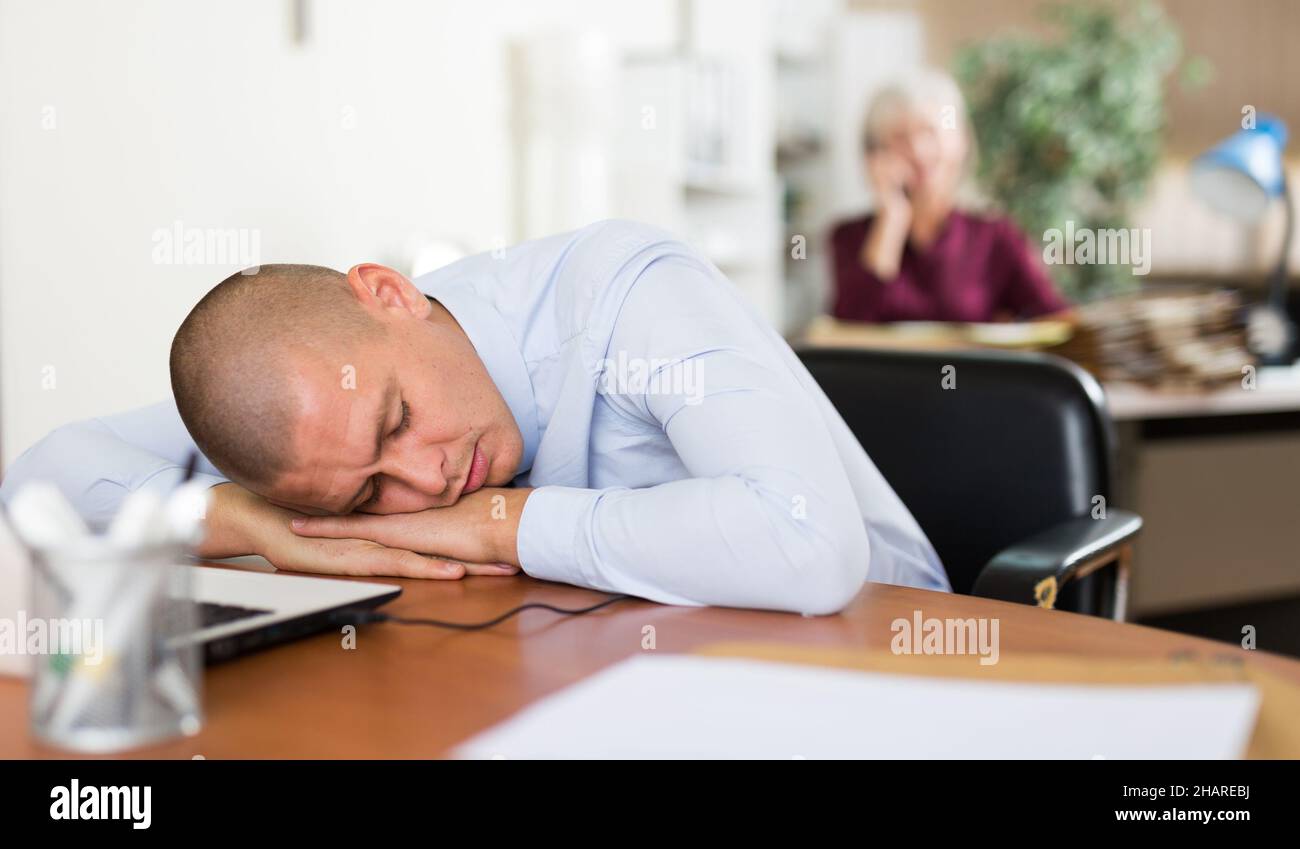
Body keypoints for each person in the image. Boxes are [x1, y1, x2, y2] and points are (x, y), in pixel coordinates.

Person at [0, 220, 950, 613]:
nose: (423, 480)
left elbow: (811, 546)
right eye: (368, 492)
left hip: (892, 653)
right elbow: (40, 476)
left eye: (396, 421)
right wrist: (260, 527)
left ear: (388, 292)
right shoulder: (311, 406)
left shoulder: (623, 293)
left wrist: (498, 523)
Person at [830, 70, 1070, 323]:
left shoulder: (996, 237)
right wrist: (892, 219)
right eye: (899, 137)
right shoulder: (849, 237)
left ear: (960, 141)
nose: (918, 151)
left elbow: (1057, 320)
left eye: (930, 132)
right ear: (875, 154)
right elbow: (848, 325)